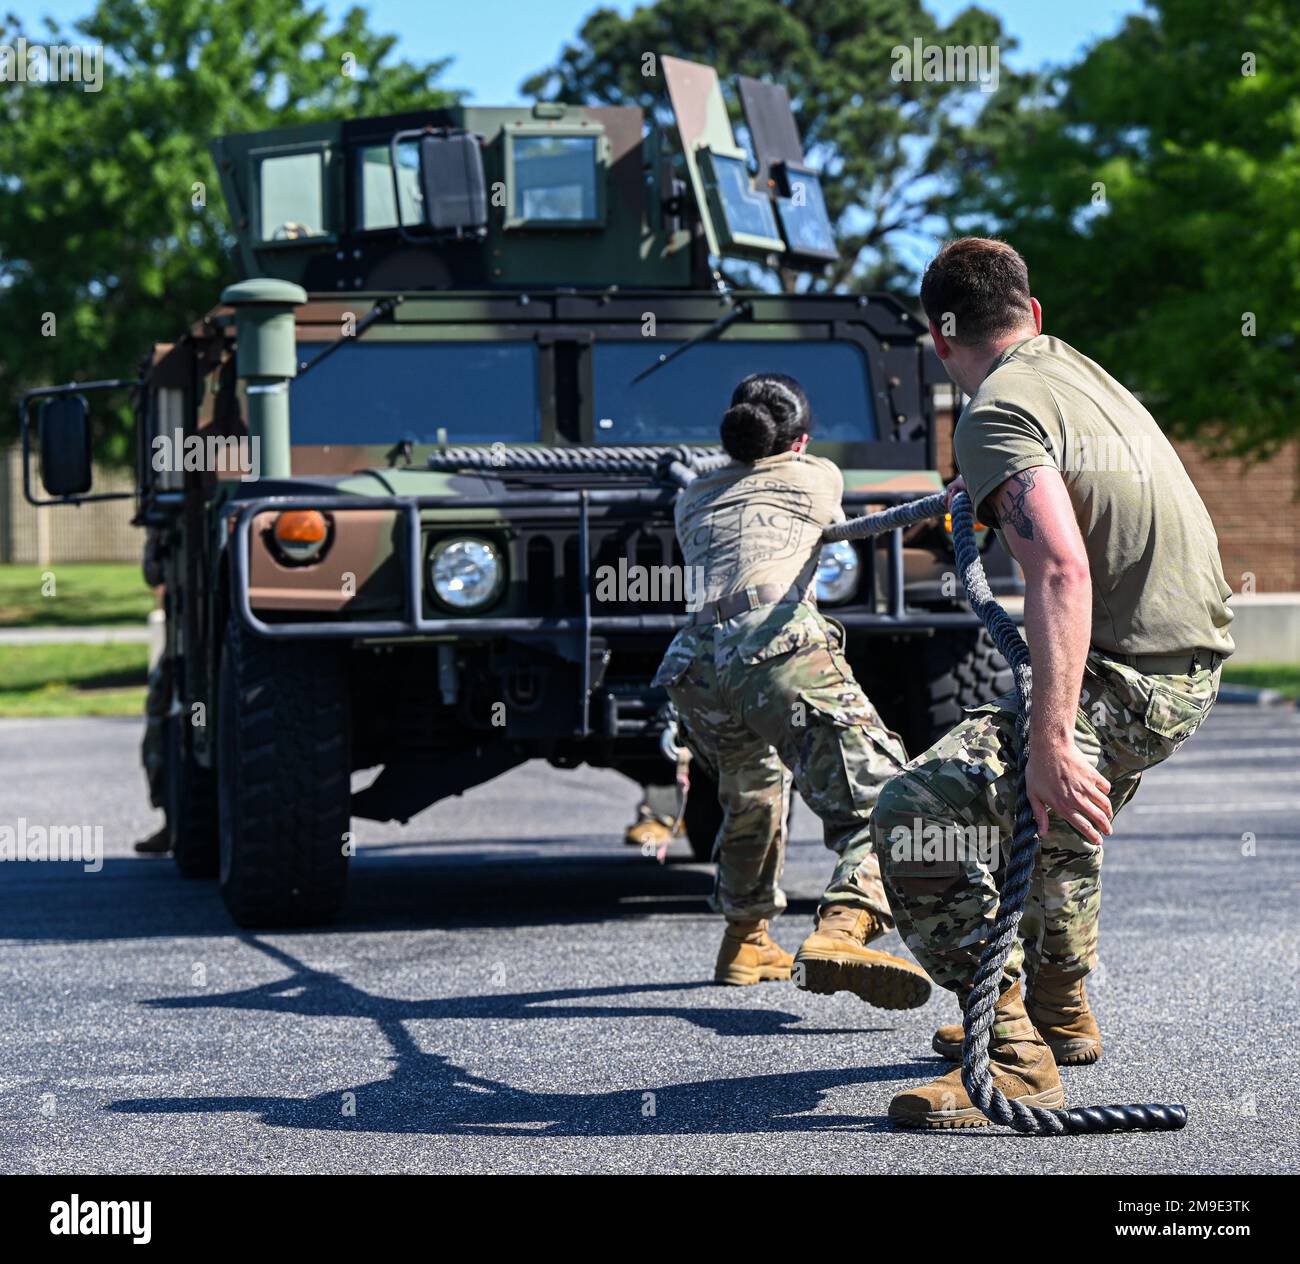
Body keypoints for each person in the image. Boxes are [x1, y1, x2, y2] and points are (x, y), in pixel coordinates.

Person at [870, 237, 1233, 1128]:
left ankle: (1018, 1058)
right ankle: (1062, 1010)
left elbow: (1062, 572)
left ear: (937, 336)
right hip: (1186, 658)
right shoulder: (1077, 373)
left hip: (1135, 672)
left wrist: (1051, 740)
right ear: (1032, 314)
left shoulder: (995, 412)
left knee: (919, 809)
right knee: (1050, 806)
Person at [652, 373, 931, 1005]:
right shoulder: (818, 476)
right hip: (772, 645)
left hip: (696, 666)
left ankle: (745, 941)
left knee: (750, 794)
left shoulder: (692, 496)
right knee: (891, 800)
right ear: (800, 440)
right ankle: (843, 927)